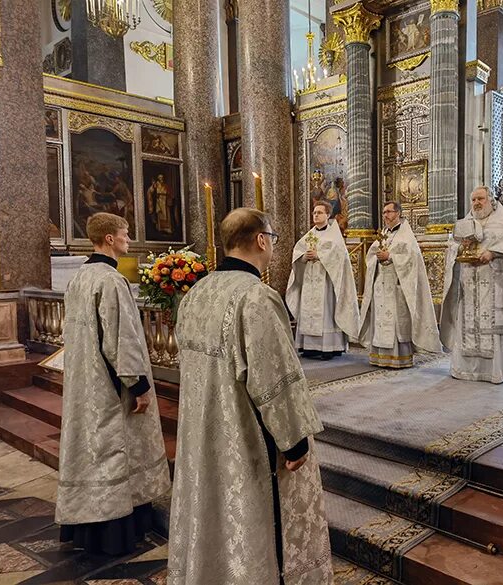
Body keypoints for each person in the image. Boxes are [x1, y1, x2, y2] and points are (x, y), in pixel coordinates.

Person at [168, 208, 332, 585]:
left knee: (212, 517)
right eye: (272, 238)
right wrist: (294, 442)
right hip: (246, 442)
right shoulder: (256, 297)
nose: (272, 245)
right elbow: (275, 379)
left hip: (202, 436)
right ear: (261, 240)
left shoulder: (195, 294)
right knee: (253, 522)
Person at [56, 212, 170, 556]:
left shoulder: (80, 278)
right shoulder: (111, 280)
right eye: (124, 233)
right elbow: (122, 340)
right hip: (110, 387)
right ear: (109, 239)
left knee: (94, 453)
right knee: (114, 452)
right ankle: (119, 530)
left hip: (85, 385)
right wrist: (137, 386)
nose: (129, 238)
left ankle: (87, 530)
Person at [440, 186, 503, 383]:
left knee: (492, 324)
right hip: (469, 282)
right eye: (473, 199)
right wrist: (460, 247)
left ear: (491, 201)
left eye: (480, 199)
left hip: (495, 283)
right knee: (467, 324)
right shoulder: (466, 223)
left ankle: (494, 371)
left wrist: (493, 252)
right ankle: (465, 369)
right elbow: (452, 245)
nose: (476, 203)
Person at [359, 201, 441, 368]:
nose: (386, 215)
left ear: (398, 213)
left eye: (389, 212)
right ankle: (379, 356)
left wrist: (391, 256)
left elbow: (412, 259)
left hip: (397, 286)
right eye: (384, 212)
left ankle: (399, 358)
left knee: (397, 322)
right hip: (381, 285)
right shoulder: (383, 235)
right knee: (380, 320)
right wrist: (377, 258)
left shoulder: (406, 235)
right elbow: (371, 257)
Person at [286, 201, 359, 360]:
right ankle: (309, 347)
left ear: (328, 215)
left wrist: (320, 256)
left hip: (326, 283)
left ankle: (329, 348)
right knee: (309, 311)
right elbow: (297, 255)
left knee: (326, 312)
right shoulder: (308, 236)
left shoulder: (334, 237)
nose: (316, 215)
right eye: (314, 213)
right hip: (309, 281)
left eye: (319, 212)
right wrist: (304, 257)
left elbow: (340, 258)